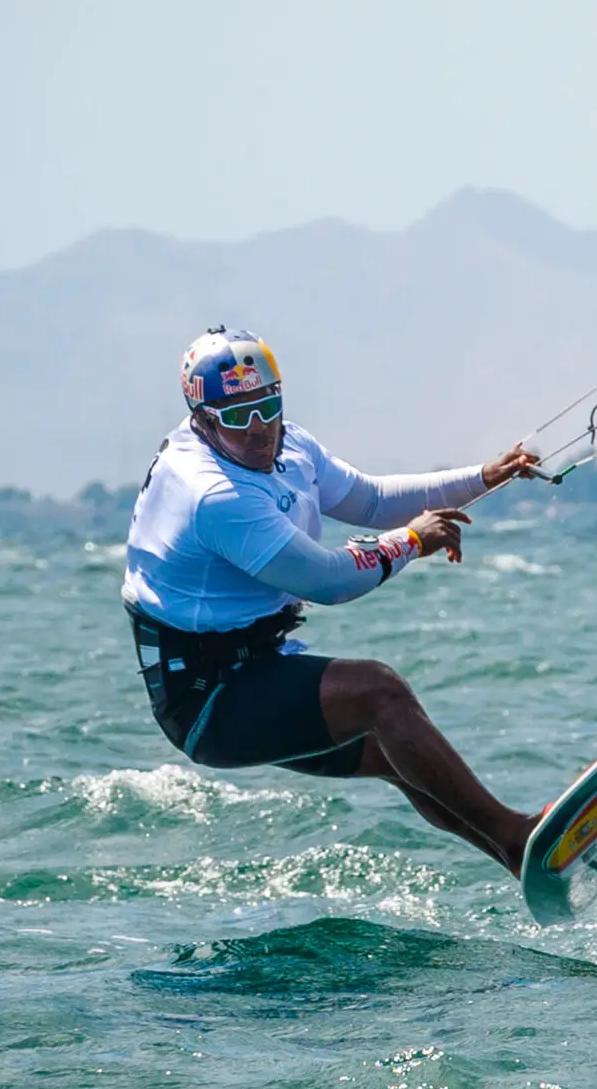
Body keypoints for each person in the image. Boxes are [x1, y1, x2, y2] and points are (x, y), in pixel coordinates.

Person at [123, 326, 543, 875]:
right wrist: (412, 541)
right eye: (235, 417)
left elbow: (370, 500)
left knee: (398, 752)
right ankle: (518, 837)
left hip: (256, 663)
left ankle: (519, 858)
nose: (257, 430)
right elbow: (327, 581)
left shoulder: (291, 443)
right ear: (201, 420)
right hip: (205, 699)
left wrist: (483, 477)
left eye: (266, 406)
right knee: (379, 692)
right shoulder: (213, 494)